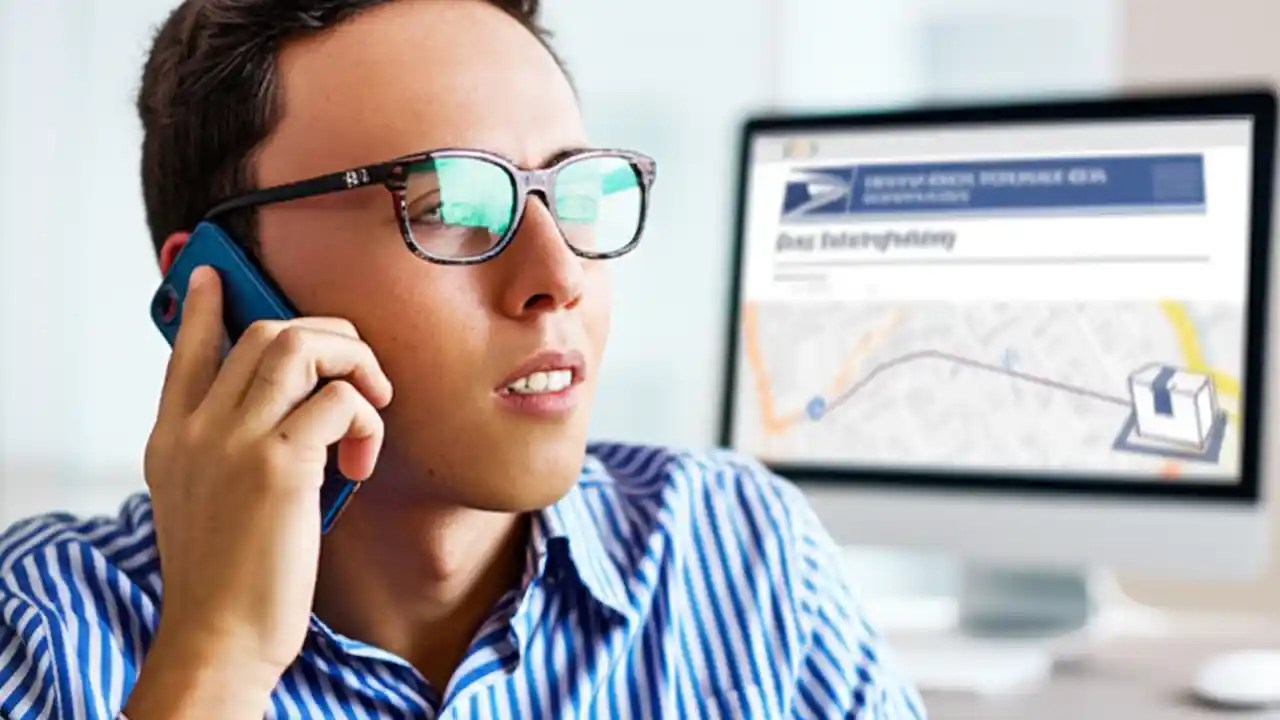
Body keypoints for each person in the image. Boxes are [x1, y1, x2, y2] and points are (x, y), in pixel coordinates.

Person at [0, 1, 925, 718]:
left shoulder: (741, 553)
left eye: (574, 191)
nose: (558, 277)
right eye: (450, 203)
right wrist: (219, 655)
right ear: (217, 289)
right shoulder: (39, 625)